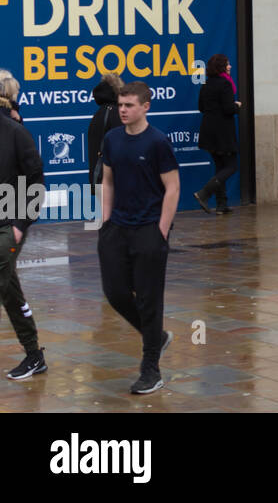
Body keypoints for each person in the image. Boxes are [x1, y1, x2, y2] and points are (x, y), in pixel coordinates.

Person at [97, 82, 180, 394]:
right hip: (116, 228)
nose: (123, 109)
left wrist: (161, 229)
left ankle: (151, 368)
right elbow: (107, 181)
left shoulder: (157, 142)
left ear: (146, 107)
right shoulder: (112, 138)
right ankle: (156, 337)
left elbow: (172, 187)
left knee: (149, 300)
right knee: (115, 292)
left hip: (149, 229)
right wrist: (105, 222)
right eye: (121, 104)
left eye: (129, 105)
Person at [0, 103, 45, 381]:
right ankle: (34, 355)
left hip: (8, 225)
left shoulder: (15, 132)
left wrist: (20, 224)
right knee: (10, 292)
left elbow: (36, 180)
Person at [194, 53, 240, 214]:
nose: (230, 66)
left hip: (208, 132)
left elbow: (201, 107)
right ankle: (204, 193)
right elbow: (228, 109)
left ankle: (221, 205)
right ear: (221, 66)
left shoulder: (206, 85)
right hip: (222, 132)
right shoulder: (225, 85)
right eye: (227, 64)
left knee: (220, 166)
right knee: (232, 166)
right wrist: (237, 106)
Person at [87, 71, 123, 200]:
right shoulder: (115, 113)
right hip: (112, 179)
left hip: (100, 177)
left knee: (106, 217)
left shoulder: (99, 113)